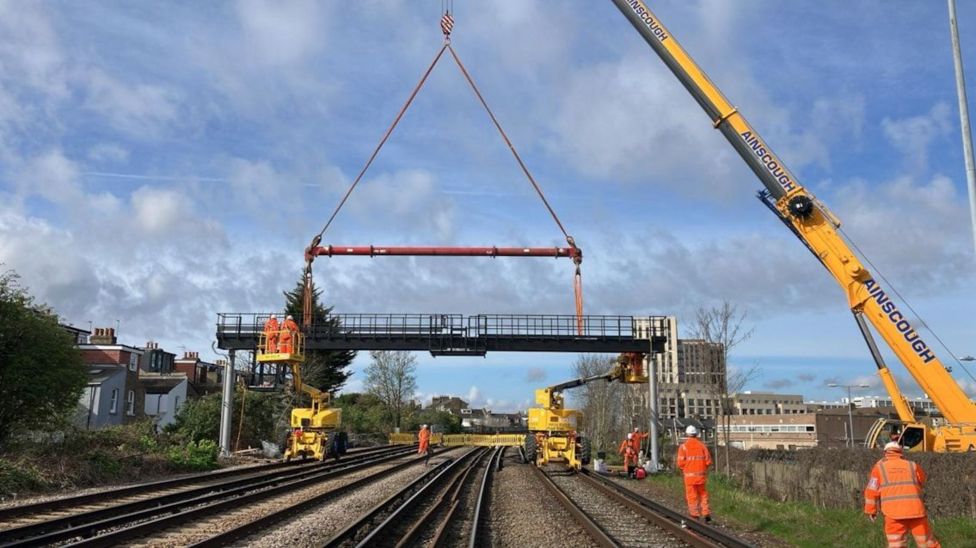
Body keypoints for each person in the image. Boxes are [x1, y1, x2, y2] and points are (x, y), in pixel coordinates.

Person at [864, 442, 941, 548]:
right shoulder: (912, 465)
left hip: (893, 514)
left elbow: (871, 490)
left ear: (885, 453)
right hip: (916, 511)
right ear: (900, 452)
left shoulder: (879, 468)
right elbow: (922, 481)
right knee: (927, 543)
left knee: (896, 544)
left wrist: (871, 510)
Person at [677, 425, 712, 522]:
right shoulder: (702, 446)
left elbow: (680, 463)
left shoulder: (683, 447)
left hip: (689, 477)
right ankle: (706, 512)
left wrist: (687, 468)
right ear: (696, 434)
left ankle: (694, 514)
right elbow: (708, 461)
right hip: (701, 476)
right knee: (703, 494)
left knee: (691, 496)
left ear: (687, 434)